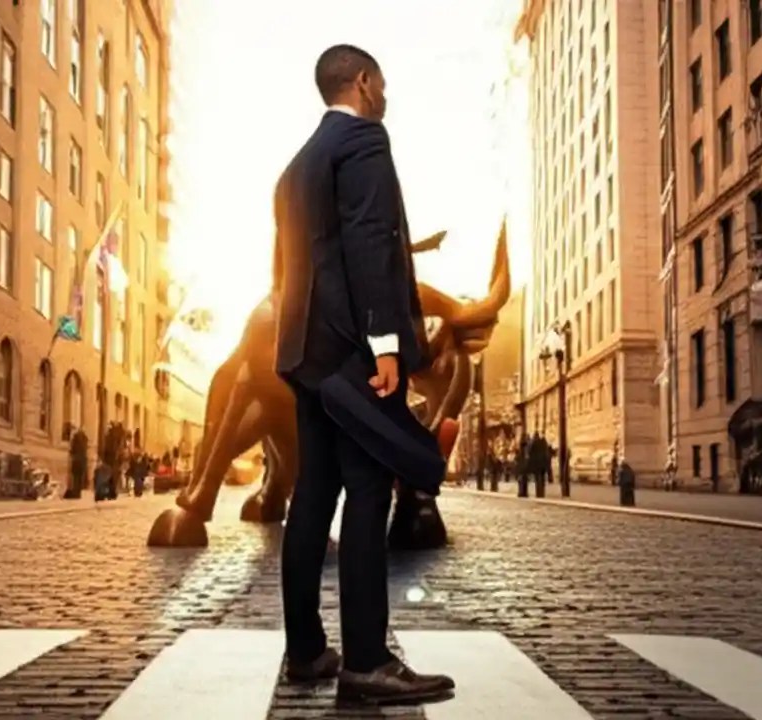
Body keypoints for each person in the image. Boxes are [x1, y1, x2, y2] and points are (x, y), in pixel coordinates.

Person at [271, 44, 455, 705]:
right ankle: (367, 662)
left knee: (313, 497)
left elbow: (286, 271)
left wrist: (297, 348)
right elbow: (372, 242)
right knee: (370, 488)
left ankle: (307, 652)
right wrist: (384, 344)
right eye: (383, 83)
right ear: (364, 82)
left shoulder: (295, 169)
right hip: (352, 352)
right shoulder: (365, 143)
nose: (386, 95)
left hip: (302, 353)